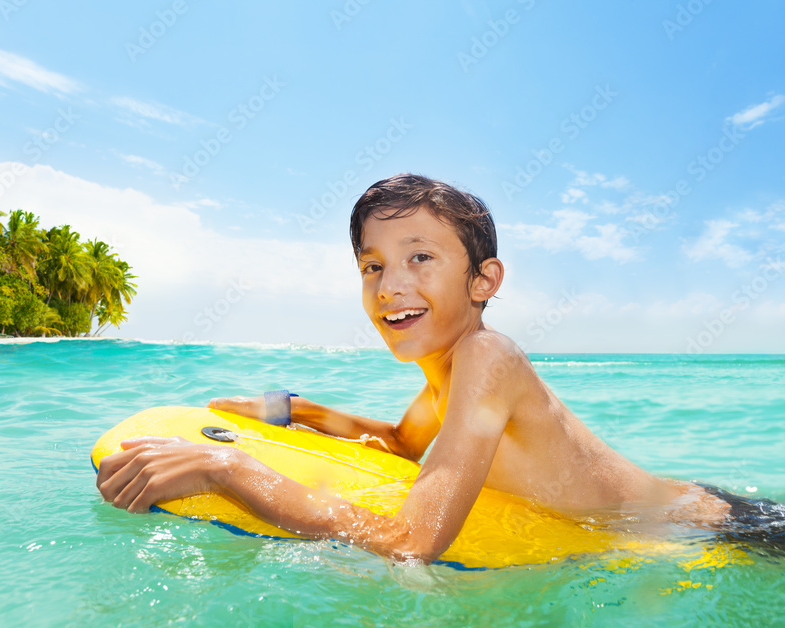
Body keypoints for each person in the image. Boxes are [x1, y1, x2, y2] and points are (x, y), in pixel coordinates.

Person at [96, 173, 779, 563]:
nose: (390, 285)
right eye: (372, 266)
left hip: (717, 524)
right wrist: (287, 411)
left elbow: (412, 541)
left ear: (484, 281)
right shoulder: (442, 385)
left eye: (420, 257)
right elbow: (397, 441)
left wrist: (228, 468)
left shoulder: (489, 357)